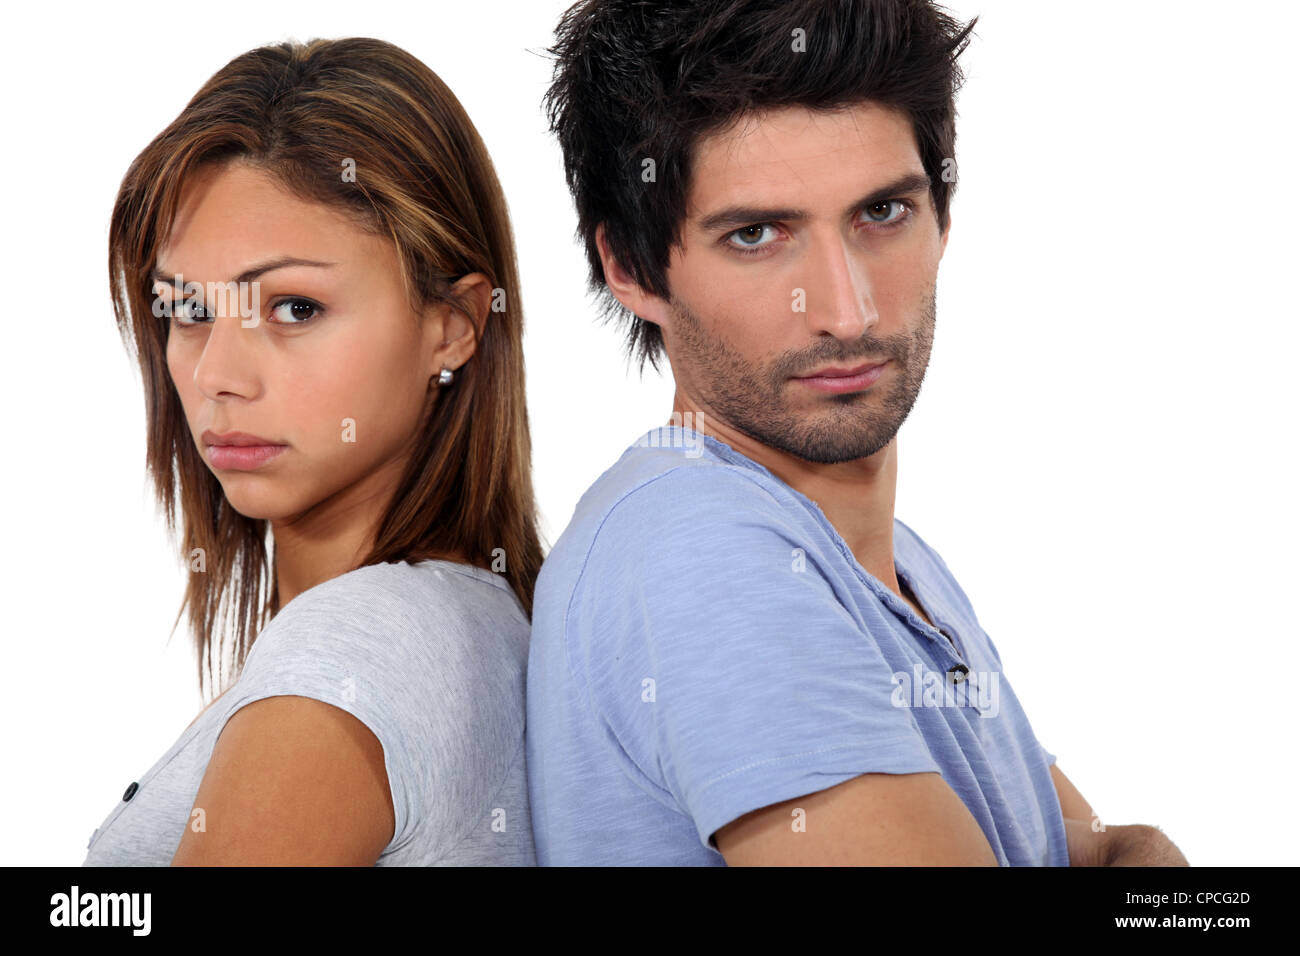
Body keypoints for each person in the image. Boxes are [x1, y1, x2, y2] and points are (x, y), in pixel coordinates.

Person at [526, 0, 1187, 866]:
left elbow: (1104, 848)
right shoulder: (700, 551)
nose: (845, 311)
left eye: (882, 214)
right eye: (757, 235)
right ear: (631, 267)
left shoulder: (888, 561)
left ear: (943, 215)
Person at [84, 37, 541, 866]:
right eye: (189, 310)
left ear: (455, 324)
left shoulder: (360, 646)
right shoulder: (481, 623)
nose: (217, 374)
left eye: (294, 308)